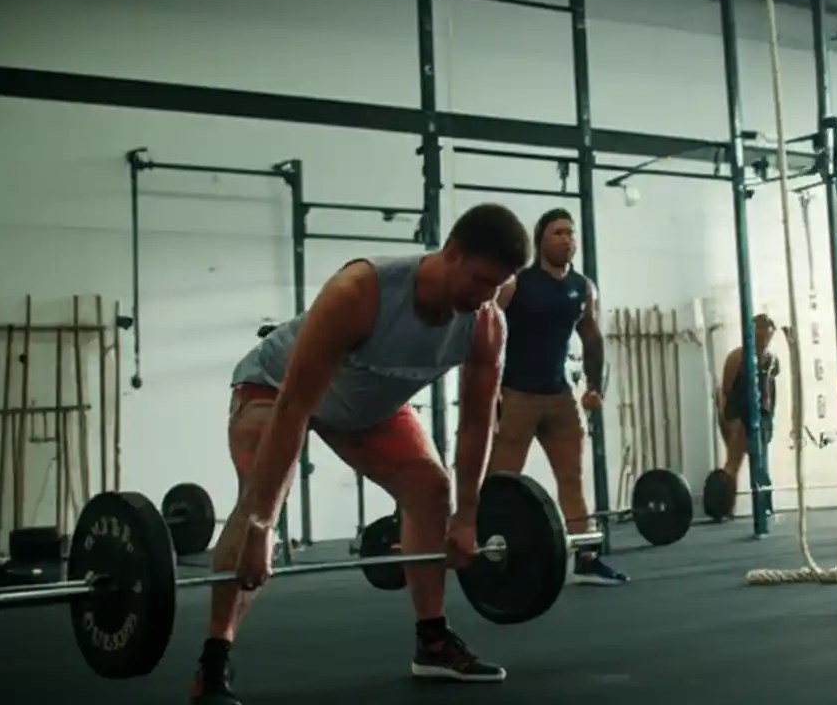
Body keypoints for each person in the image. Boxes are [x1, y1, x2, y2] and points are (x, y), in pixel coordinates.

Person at [190, 203, 530, 704]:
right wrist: (264, 523)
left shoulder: (486, 323)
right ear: (451, 253)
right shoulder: (361, 292)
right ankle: (213, 663)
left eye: (496, 287)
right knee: (257, 503)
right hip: (276, 389)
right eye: (480, 281)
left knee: (429, 489)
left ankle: (432, 641)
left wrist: (468, 514)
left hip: (368, 405)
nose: (485, 297)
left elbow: (478, 422)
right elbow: (295, 407)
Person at [487, 208, 628, 586]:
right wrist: (489, 390)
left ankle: (585, 557)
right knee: (502, 482)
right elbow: (485, 331)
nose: (567, 239)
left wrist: (595, 387)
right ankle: (487, 553)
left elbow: (592, 337)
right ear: (541, 240)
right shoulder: (516, 283)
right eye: (558, 232)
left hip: (558, 396)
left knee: (572, 479)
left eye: (571, 232)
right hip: (515, 394)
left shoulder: (582, 288)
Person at [717, 314, 781, 492]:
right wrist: (727, 423)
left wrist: (769, 418)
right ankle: (726, 504)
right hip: (738, 417)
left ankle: (763, 506)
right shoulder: (736, 359)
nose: (765, 338)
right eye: (761, 333)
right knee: (733, 465)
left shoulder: (771, 361)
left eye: (768, 334)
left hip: (761, 417)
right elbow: (725, 393)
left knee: (761, 466)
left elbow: (771, 392)